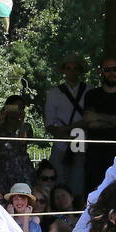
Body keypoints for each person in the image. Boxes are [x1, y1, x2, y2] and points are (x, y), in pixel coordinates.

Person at [82, 57, 116, 198]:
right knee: (96, 194)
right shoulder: (92, 95)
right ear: (101, 72)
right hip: (96, 154)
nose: (112, 73)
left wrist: (99, 117)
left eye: (115, 69)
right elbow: (89, 121)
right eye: (107, 70)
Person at [44, 54, 90, 197]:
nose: (72, 71)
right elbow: (49, 123)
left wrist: (72, 132)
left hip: (81, 138)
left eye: (75, 68)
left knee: (79, 177)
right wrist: (64, 135)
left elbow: (90, 119)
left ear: (80, 71)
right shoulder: (54, 93)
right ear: (63, 71)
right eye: (68, 68)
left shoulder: (89, 91)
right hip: (60, 141)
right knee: (58, 178)